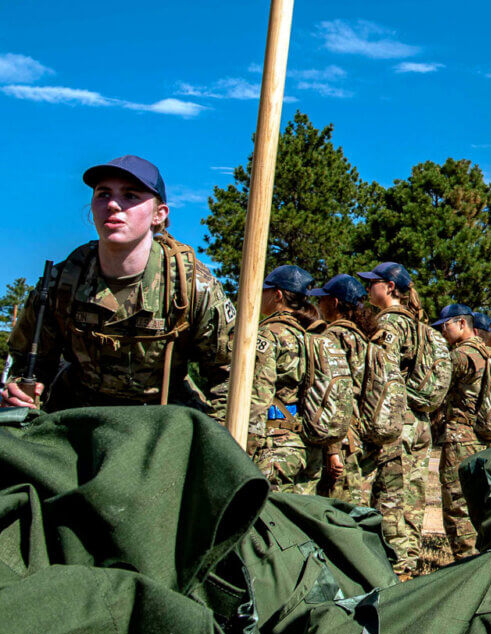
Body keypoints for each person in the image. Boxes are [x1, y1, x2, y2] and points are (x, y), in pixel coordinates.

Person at [2, 155, 234, 412]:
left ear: (159, 214)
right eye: (103, 194)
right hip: (76, 415)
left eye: (131, 196)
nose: (112, 204)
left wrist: (215, 439)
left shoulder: (191, 286)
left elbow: (228, 375)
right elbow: (28, 362)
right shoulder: (63, 281)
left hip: (164, 416)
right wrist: (21, 392)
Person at [359, 261, 449, 577]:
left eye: (373, 282)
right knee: (413, 497)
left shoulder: (388, 326)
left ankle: (393, 569)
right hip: (421, 422)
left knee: (389, 499)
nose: (368, 287)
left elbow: (378, 378)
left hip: (396, 422)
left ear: (391, 288)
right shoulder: (420, 327)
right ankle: (409, 561)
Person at [249, 265, 353, 493]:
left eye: (266, 290)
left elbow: (258, 396)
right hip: (309, 447)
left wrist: (244, 449)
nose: (261, 294)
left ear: (277, 295)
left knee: (269, 520)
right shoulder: (313, 335)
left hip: (276, 445)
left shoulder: (269, 334)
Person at [309, 274, 403, 502]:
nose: (318, 304)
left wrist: (332, 450)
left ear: (334, 302)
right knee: (356, 506)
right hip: (363, 436)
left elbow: (334, 395)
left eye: (322, 299)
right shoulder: (366, 338)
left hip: (342, 438)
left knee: (337, 510)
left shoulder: (332, 337)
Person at [432, 302, 491, 559]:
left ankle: (466, 563)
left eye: (445, 325)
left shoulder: (462, 355)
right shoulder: (488, 352)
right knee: (479, 505)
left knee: (457, 506)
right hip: (483, 438)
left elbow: (434, 384)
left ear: (462, 323)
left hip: (460, 439)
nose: (442, 331)